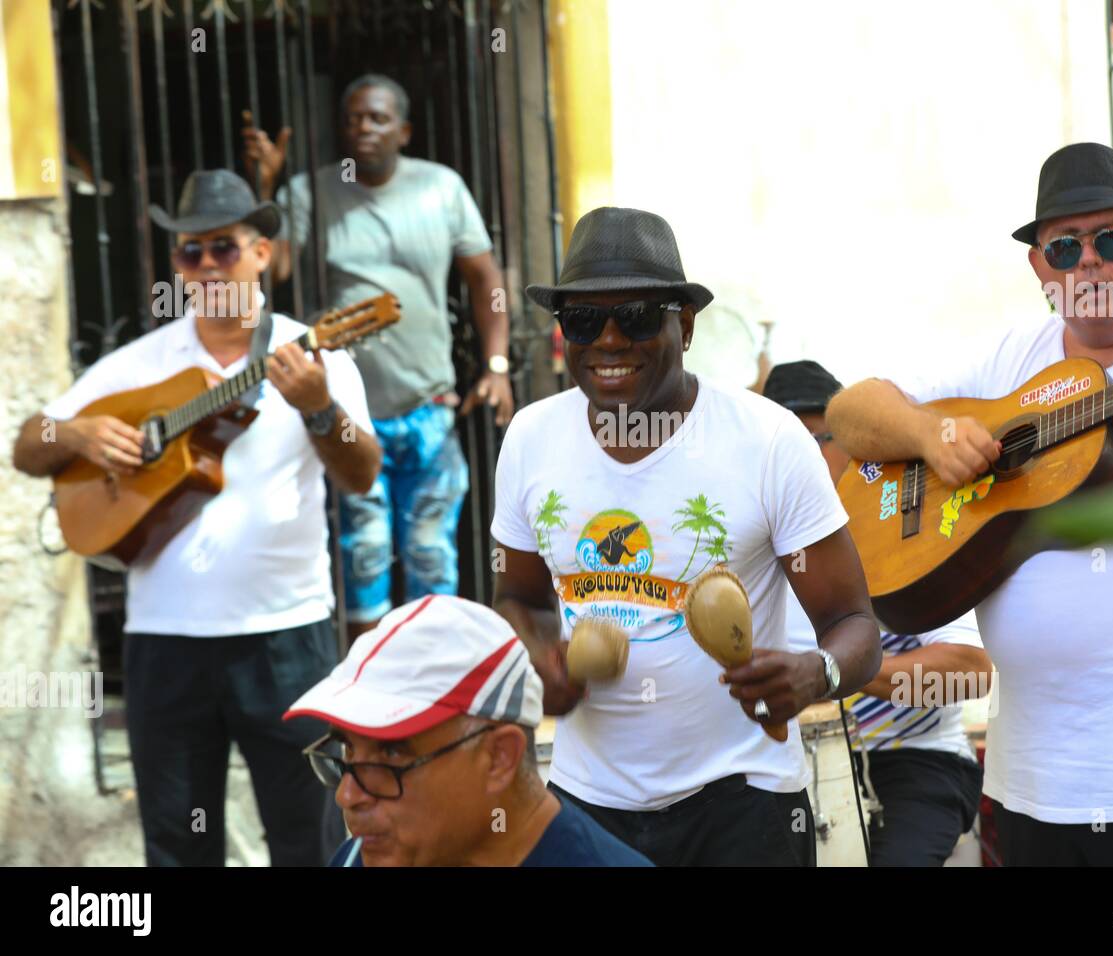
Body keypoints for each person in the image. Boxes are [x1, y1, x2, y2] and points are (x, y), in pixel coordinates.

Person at [827, 142, 1113, 866]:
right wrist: (932, 433)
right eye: (1064, 247)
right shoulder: (1007, 358)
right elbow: (852, 411)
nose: (1090, 263)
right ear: (1040, 268)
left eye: (1110, 239)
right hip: (1042, 788)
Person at [490, 207, 882, 867]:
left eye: (637, 315)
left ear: (687, 325)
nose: (608, 340)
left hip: (745, 801)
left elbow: (854, 625)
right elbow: (519, 600)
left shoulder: (767, 439)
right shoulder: (531, 438)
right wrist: (543, 660)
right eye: (583, 320)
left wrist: (817, 673)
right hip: (586, 805)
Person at [12, 169, 382, 865]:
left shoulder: (312, 352)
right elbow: (30, 444)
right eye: (190, 252)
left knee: (310, 837)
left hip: (284, 637)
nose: (208, 265)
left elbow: (362, 474)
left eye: (224, 247)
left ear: (262, 253)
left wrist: (319, 409)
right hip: (165, 643)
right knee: (178, 847)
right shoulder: (141, 365)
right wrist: (85, 435)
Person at [242, 74, 513, 642]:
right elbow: (273, 274)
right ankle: (372, 687)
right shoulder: (310, 192)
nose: (363, 129)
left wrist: (496, 366)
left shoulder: (441, 188)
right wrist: (265, 189)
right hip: (345, 412)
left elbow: (486, 277)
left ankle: (434, 681)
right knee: (363, 553)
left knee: (430, 550)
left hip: (429, 404)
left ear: (405, 130)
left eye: (378, 119)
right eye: (353, 119)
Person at [764, 360, 992, 867]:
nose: (806, 459)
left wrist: (832, 671)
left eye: (820, 439)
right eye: (788, 444)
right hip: (787, 762)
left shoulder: (903, 526)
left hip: (911, 759)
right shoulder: (747, 538)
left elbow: (971, 673)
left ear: (854, 445)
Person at [285, 595, 651, 866]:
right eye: (348, 750)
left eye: (391, 753)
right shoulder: (356, 859)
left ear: (498, 757)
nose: (348, 795)